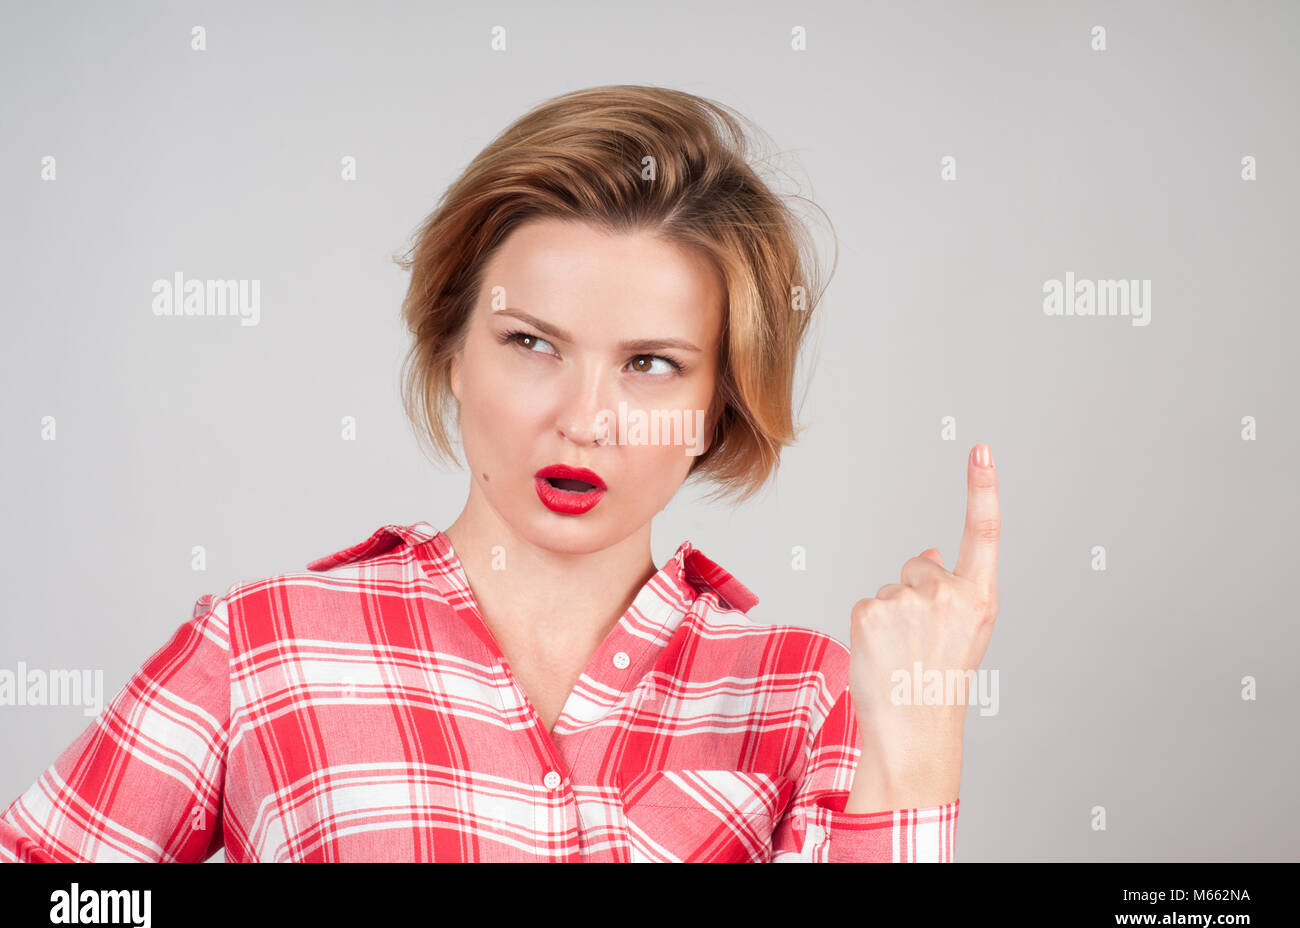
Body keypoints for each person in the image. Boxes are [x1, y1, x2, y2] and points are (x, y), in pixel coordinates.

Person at [0, 84, 997, 862]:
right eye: (531, 342)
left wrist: (919, 736)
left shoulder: (799, 695)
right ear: (451, 351)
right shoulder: (264, 645)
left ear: (720, 405)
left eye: (651, 364)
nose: (582, 417)